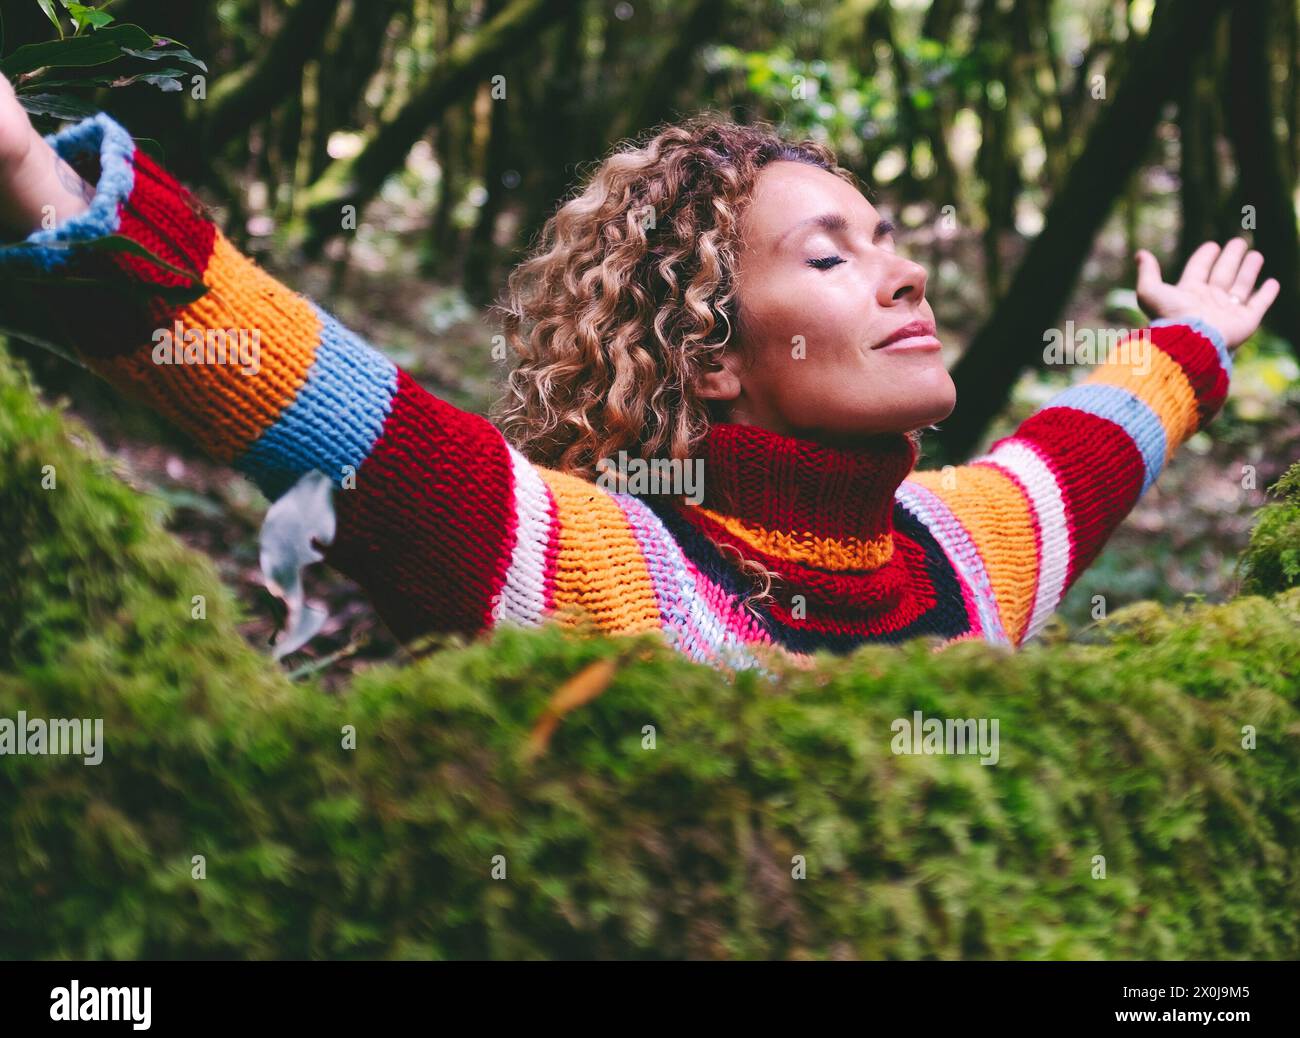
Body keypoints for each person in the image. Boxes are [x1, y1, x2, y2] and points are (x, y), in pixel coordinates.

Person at [0, 75, 1279, 671]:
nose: (903, 278)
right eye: (830, 258)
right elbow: (345, 419)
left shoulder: (958, 547)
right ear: (710, 355)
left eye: (889, 244)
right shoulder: (619, 578)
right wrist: (49, 190)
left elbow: (1088, 448)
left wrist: (1190, 343)